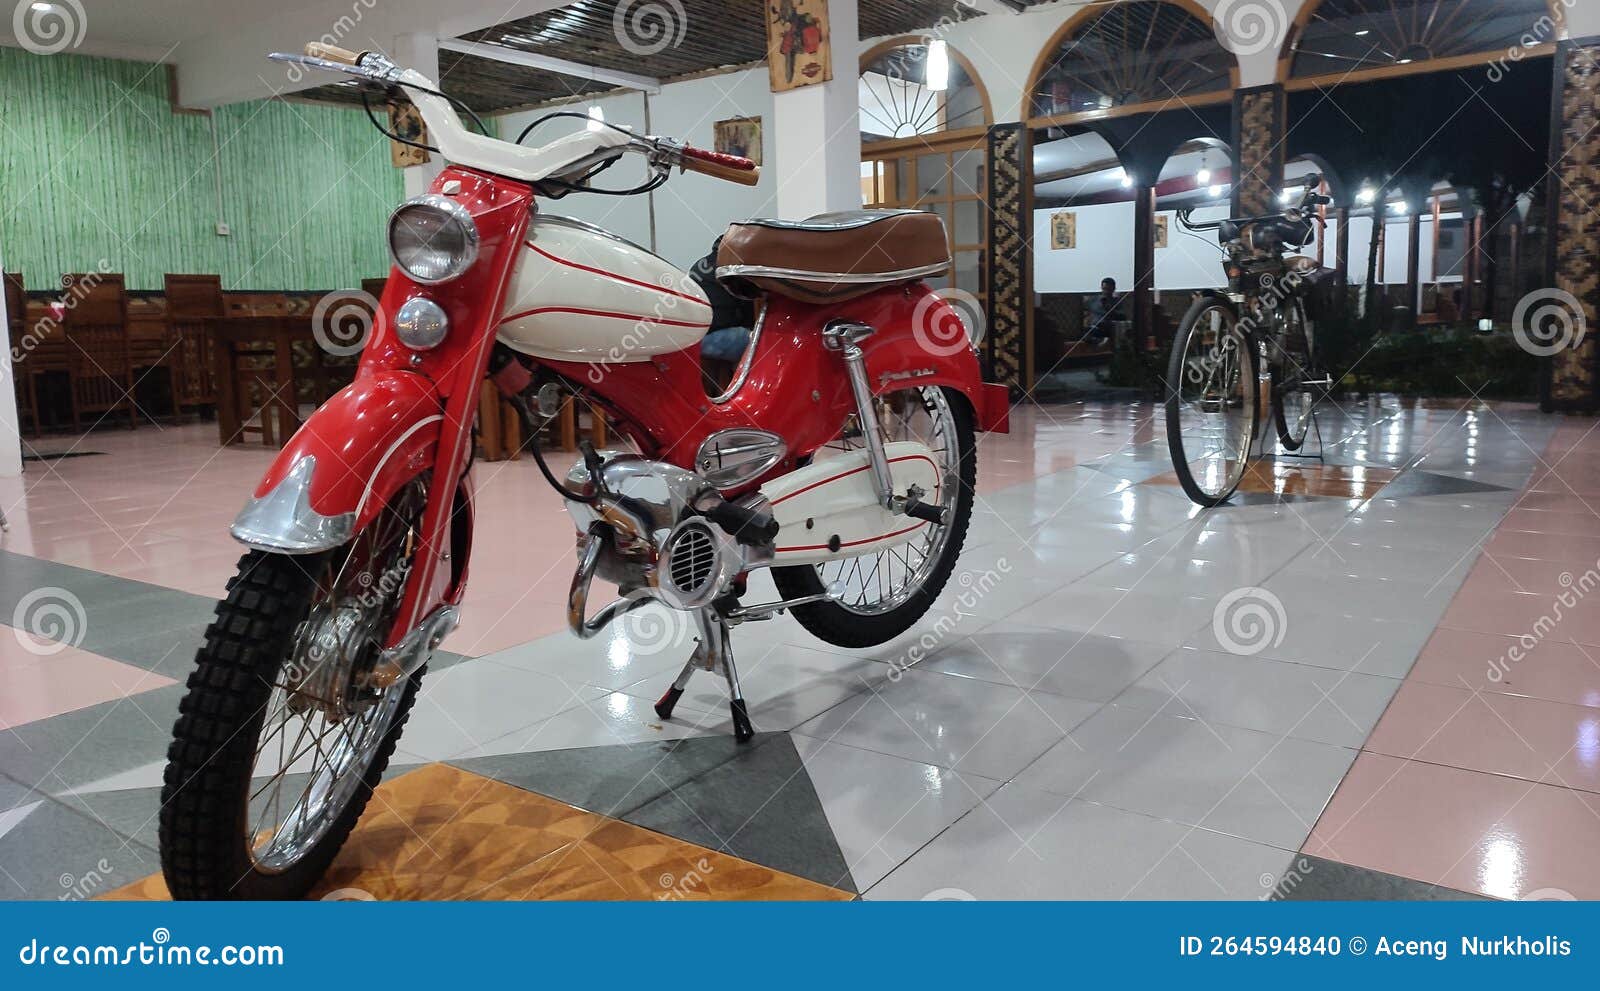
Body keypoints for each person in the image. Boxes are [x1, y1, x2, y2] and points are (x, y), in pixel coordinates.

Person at [1084, 277, 1125, 345]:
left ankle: (1103, 340)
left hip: (1109, 329)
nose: (1106, 291)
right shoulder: (1094, 300)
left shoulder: (1117, 301)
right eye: (1104, 289)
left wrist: (1110, 310)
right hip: (1096, 328)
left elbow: (1123, 317)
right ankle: (1100, 341)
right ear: (1101, 288)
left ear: (1114, 289)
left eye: (1109, 289)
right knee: (1085, 333)